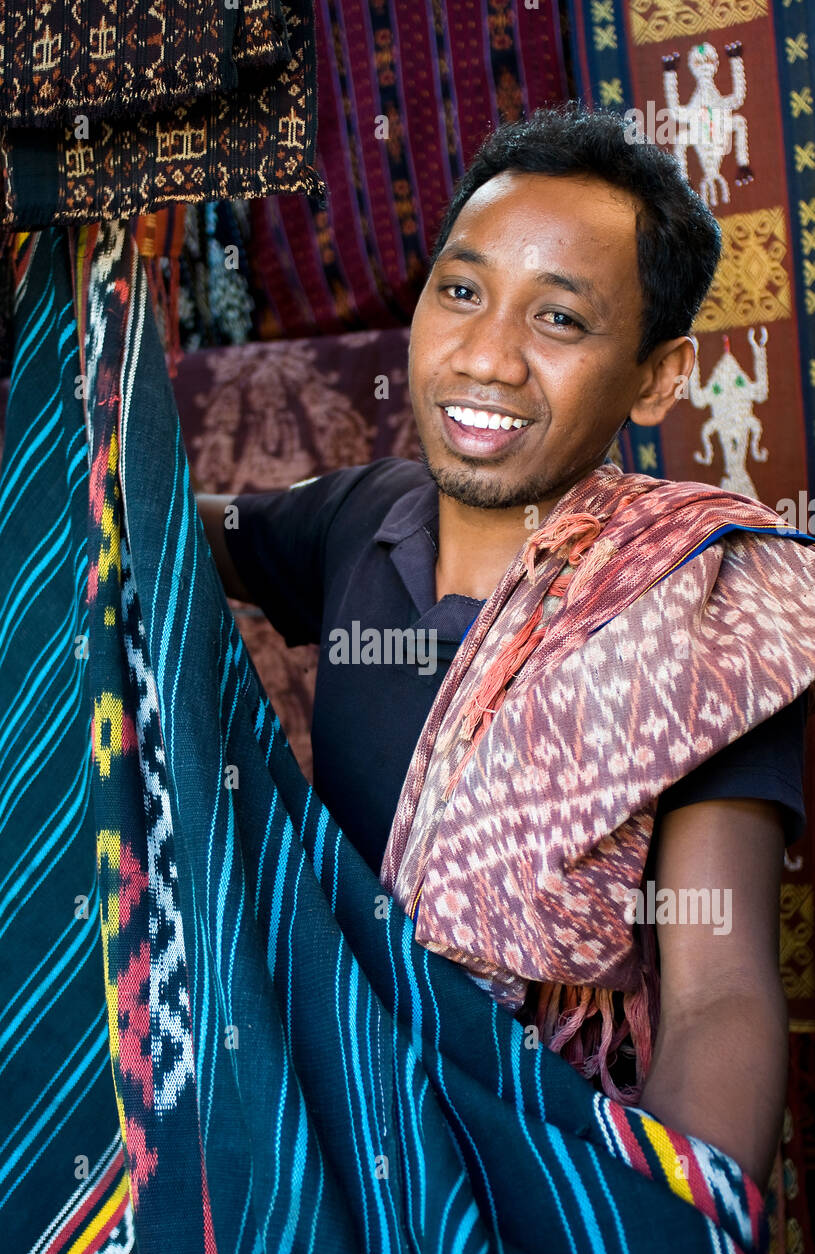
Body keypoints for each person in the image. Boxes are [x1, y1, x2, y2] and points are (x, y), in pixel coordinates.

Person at [194, 104, 811, 1195]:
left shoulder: (693, 598)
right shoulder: (358, 518)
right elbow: (167, 535)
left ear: (657, 377)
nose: (485, 358)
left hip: (539, 1162)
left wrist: (656, 1243)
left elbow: (717, 990)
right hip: (332, 1148)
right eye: (461, 290)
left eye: (559, 320)